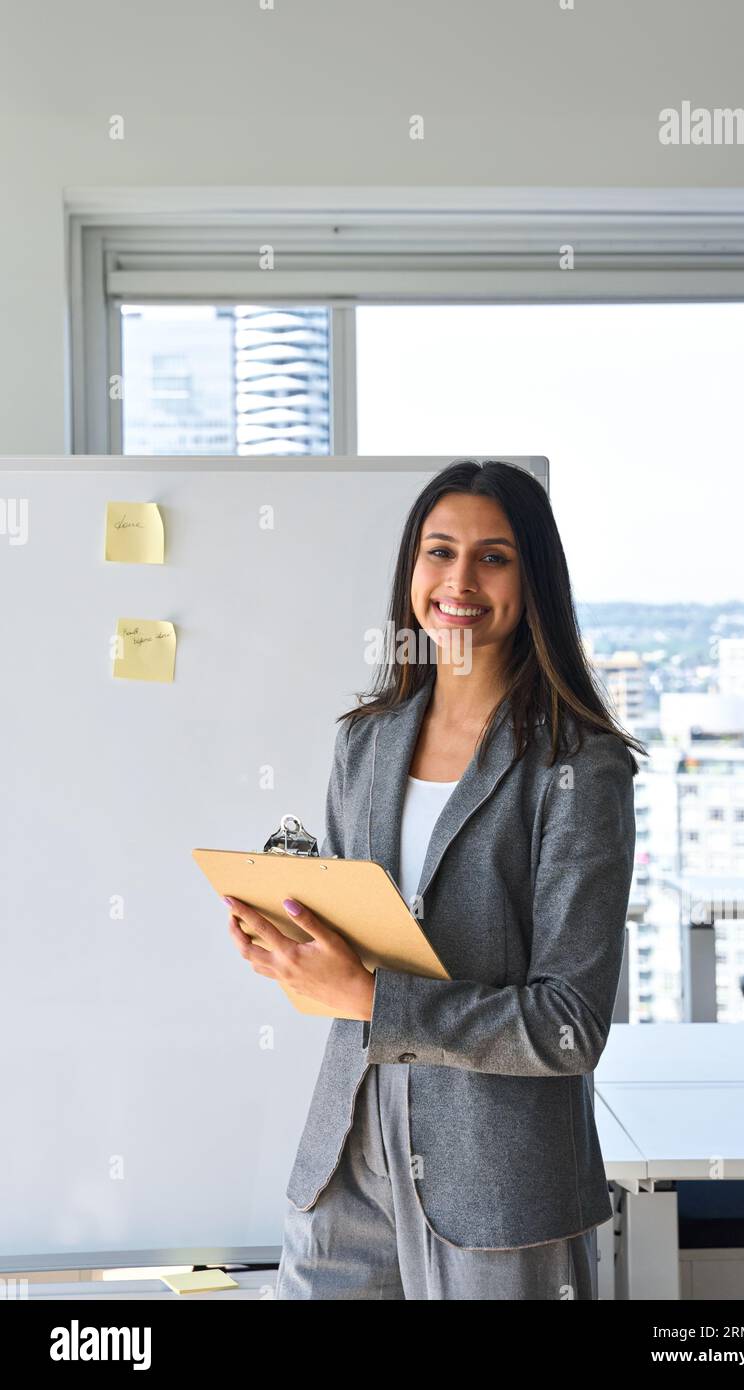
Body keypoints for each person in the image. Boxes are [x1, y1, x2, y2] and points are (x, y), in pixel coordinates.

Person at [225, 458, 644, 1300]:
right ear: (411, 570)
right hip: (347, 1158)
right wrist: (295, 941)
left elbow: (568, 1027)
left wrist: (373, 997)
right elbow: (360, 955)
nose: (459, 580)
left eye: (493, 557)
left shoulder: (579, 766)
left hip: (498, 1183)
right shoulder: (367, 742)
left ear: (535, 583)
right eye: (438, 551)